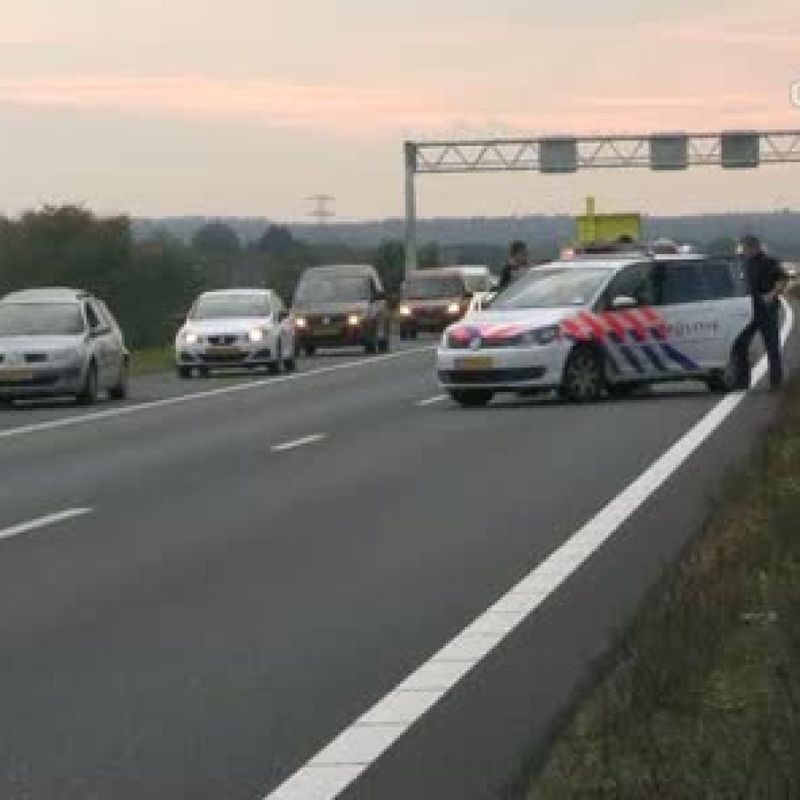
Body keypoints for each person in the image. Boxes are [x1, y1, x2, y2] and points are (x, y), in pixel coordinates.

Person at [733, 235, 789, 391]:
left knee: (772, 347)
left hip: (766, 310)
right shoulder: (741, 263)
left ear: (755, 247)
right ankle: (742, 382)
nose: (744, 251)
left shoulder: (769, 262)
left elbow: (783, 279)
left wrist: (772, 294)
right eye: (742, 248)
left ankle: (776, 383)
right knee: (740, 346)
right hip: (745, 311)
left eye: (746, 248)